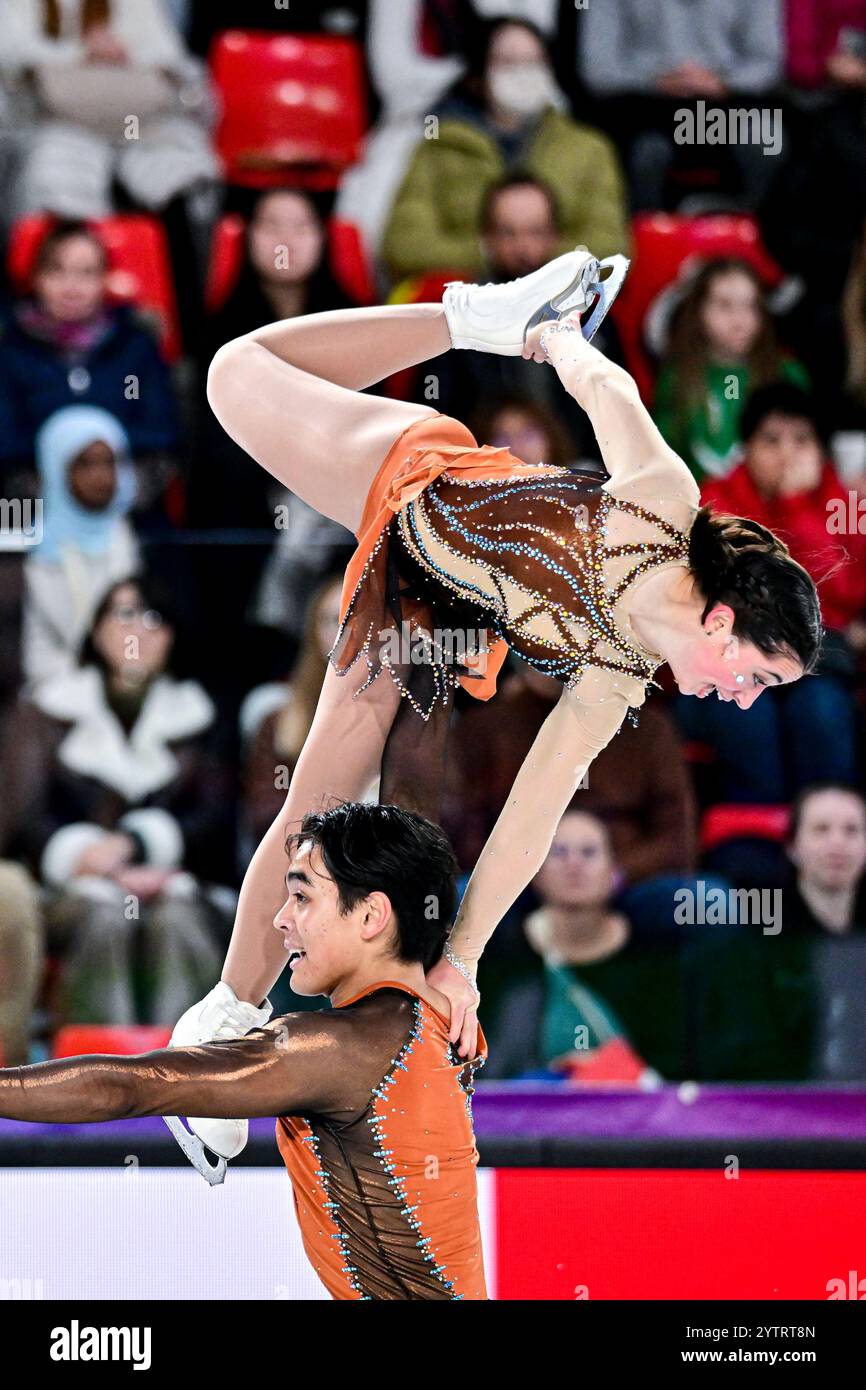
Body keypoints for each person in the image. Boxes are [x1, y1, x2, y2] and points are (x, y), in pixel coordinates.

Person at [181, 243, 821, 1160]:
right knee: (234, 371)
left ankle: (219, 1032)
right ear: (722, 621)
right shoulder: (664, 507)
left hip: (427, 612)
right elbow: (613, 396)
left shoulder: (619, 674)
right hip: (422, 486)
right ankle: (478, 317)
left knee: (318, 809)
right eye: (758, 676)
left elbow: (533, 809)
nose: (748, 703)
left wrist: (465, 958)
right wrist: (555, 340)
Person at [0, 801, 490, 1302]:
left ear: (371, 914)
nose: (280, 921)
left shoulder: (333, 1048)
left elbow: (128, 1087)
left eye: (301, 897)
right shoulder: (443, 1018)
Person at [2, 575, 234, 1027]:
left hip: (177, 883)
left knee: (178, 918)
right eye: (124, 614)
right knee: (106, 915)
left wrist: (139, 847)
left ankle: (185, 1073)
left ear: (171, 636)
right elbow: (23, 821)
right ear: (96, 629)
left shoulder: (201, 715)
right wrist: (87, 856)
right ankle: (97, 1075)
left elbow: (217, 820)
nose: (139, 632)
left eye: (154, 619)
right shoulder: (46, 712)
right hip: (71, 887)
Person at [676, 384, 865, 823]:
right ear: (746, 449)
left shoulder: (845, 502)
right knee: (748, 718)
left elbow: (847, 592)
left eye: (802, 440)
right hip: (730, 660)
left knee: (822, 711)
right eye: (772, 440)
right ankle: (757, 839)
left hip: (820, 663)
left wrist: (796, 505)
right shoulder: (715, 499)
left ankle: (827, 831)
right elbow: (723, 591)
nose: (787, 455)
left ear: (822, 450)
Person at [382, 17, 628, 282]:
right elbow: (403, 246)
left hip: (562, 302)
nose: (523, 73)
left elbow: (612, 246)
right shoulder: (440, 147)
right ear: (479, 74)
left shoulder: (589, 148)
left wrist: (539, 257)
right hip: (466, 302)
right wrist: (489, 253)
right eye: (508, 62)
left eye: (534, 62)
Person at [480, 809, 691, 1081]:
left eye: (589, 852)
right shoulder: (500, 954)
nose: (574, 864)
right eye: (558, 852)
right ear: (536, 874)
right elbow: (489, 1072)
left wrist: (604, 1070)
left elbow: (670, 1073)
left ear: (614, 873)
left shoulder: (653, 957)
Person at [428, 173, 625, 462]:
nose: (522, 248)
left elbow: (620, 416)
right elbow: (435, 423)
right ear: (487, 238)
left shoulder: (593, 318)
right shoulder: (456, 323)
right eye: (508, 233)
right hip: (483, 480)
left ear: (554, 236)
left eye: (535, 232)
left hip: (583, 479)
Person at [0, 219, 181, 511]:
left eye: (86, 272)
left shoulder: (137, 346)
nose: (71, 286)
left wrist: (115, 496)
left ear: (105, 279)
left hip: (131, 515)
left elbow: (161, 437)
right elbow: (7, 447)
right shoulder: (9, 350)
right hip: (31, 514)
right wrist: (55, 499)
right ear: (36, 277)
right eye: (57, 270)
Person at [652, 258, 809, 482]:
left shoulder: (787, 375)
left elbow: (808, 456)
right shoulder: (677, 378)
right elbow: (662, 456)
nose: (740, 320)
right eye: (725, 306)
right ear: (698, 312)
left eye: (751, 306)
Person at [23, 404, 139, 689]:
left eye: (109, 462)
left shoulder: (132, 540)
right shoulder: (34, 550)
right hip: (58, 692)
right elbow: (34, 656)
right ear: (55, 468)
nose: (101, 477)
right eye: (85, 464)